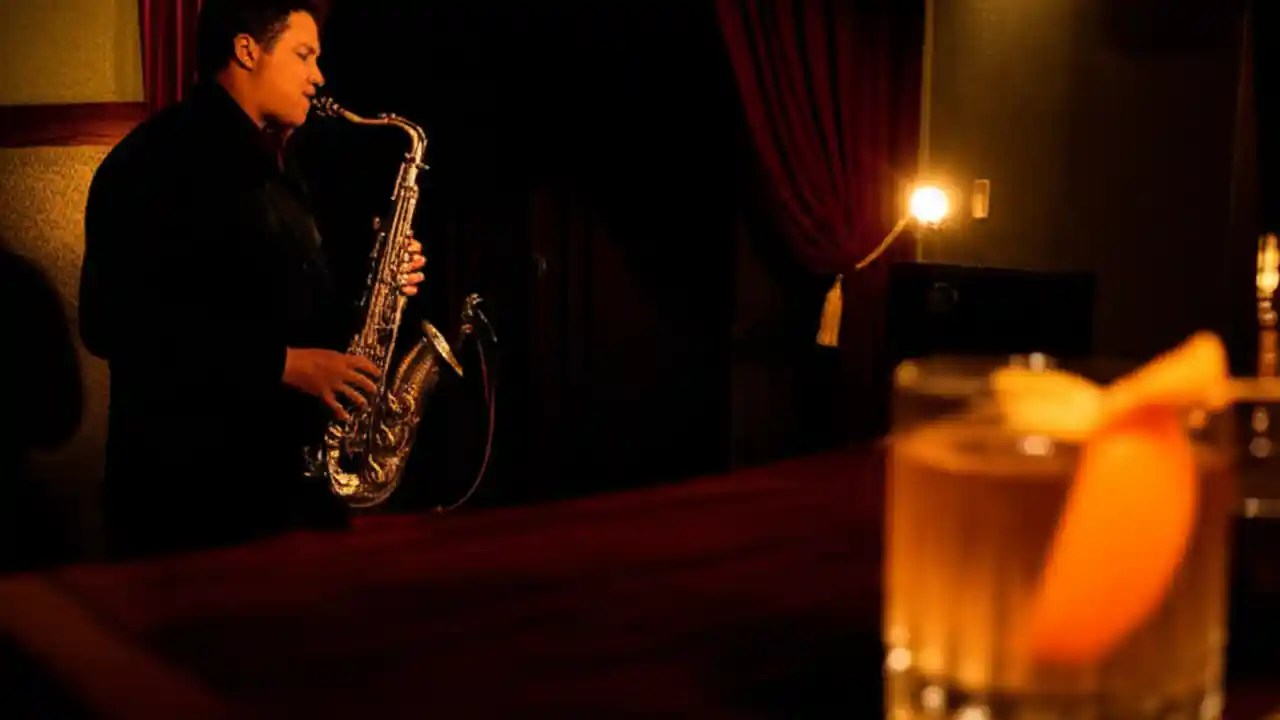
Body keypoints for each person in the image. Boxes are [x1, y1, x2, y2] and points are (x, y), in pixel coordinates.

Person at [78, 0, 426, 560]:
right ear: (246, 50)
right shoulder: (153, 164)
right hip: (190, 505)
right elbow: (112, 324)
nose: (319, 76)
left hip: (279, 493)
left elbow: (278, 301)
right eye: (304, 55)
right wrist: (285, 365)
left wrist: (382, 280)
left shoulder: (280, 164)